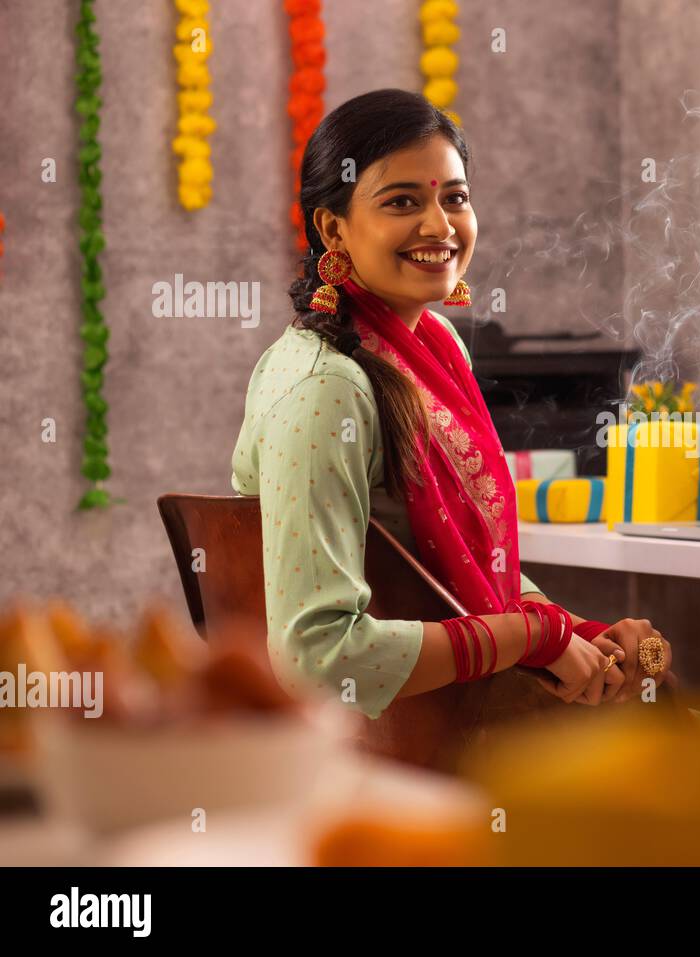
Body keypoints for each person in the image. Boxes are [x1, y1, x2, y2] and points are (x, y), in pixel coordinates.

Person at [230, 89, 673, 723]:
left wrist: (586, 632)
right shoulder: (327, 387)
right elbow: (318, 658)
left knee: (658, 671)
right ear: (333, 228)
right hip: (414, 748)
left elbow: (454, 575)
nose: (439, 227)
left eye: (454, 198)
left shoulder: (433, 345)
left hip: (462, 712)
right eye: (402, 202)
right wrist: (531, 638)